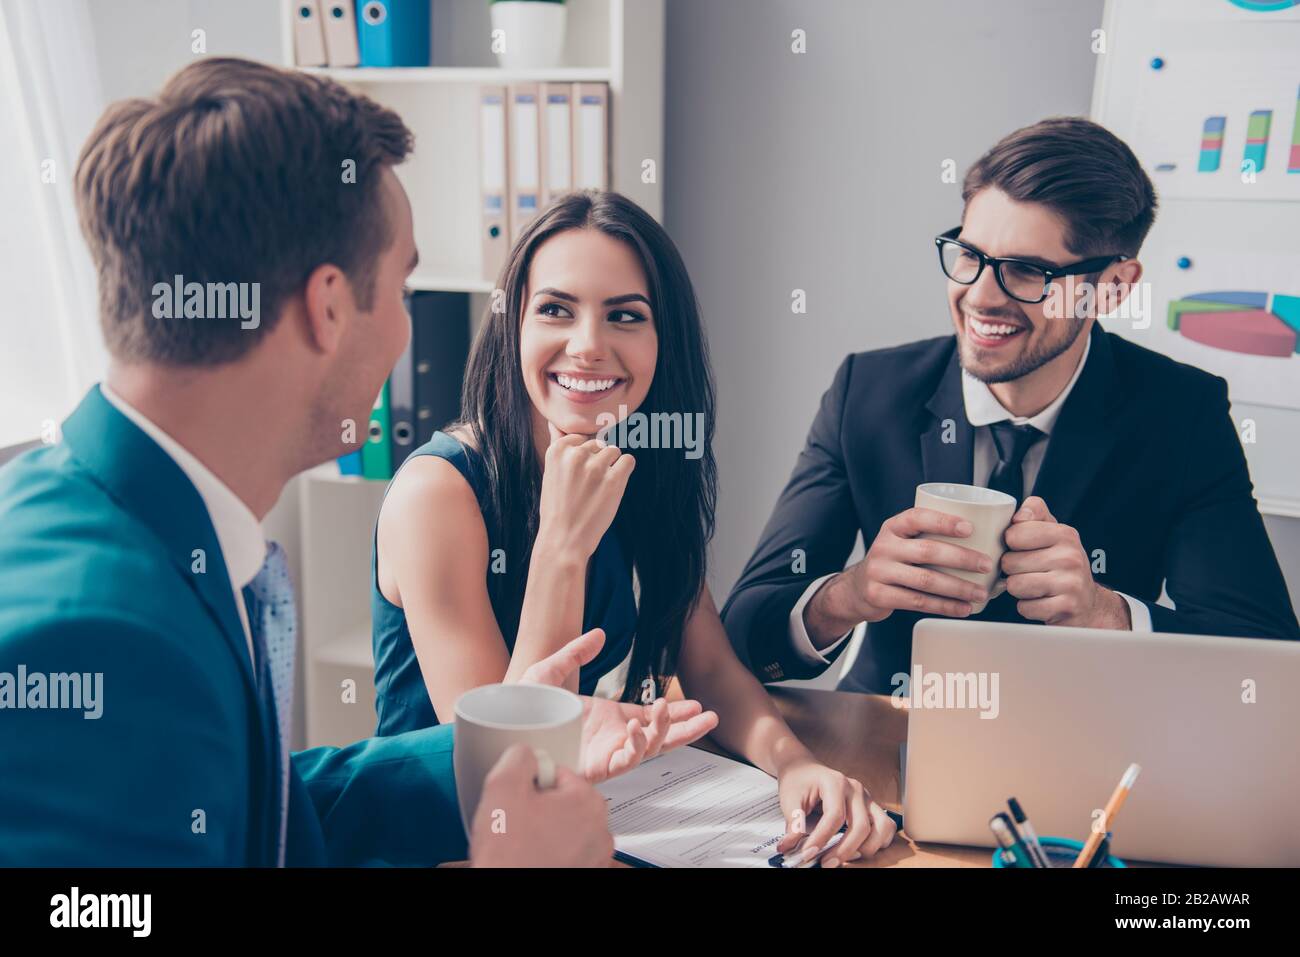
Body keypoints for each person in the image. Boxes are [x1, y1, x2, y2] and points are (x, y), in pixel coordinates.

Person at [0, 57, 712, 867]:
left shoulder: (151, 521)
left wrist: (494, 744)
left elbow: (260, 809)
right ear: (330, 308)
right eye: (403, 290)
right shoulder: (88, 634)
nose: (410, 334)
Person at [372, 190, 898, 866]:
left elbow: (709, 665)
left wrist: (794, 765)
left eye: (625, 316)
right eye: (556, 309)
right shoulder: (438, 493)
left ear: (661, 341)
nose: (588, 346)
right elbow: (499, 770)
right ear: (513, 326)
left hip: (569, 829)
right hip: (442, 842)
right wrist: (562, 545)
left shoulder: (636, 465)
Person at [722, 116, 1300, 696]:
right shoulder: (868, 391)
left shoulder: (1182, 414)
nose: (979, 296)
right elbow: (741, 638)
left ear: (1114, 287)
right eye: (969, 255)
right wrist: (848, 595)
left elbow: (1265, 665)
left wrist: (1107, 614)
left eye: (1027, 271)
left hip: (1081, 741)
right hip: (886, 730)